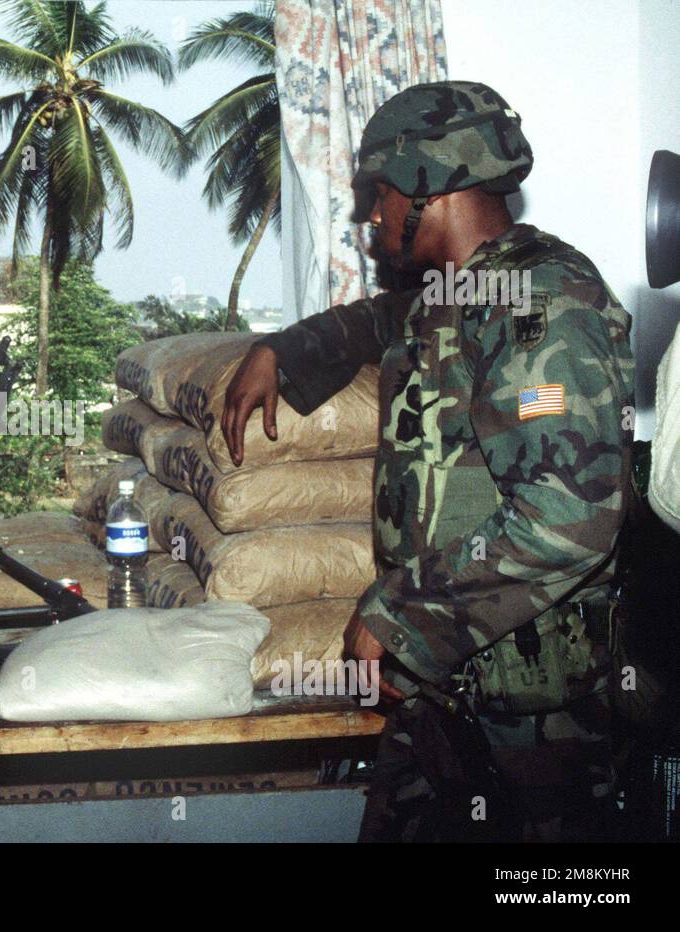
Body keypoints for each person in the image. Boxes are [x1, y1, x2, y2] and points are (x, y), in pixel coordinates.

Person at [221, 82, 635, 842]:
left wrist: (404, 615)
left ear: (424, 183)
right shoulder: (455, 294)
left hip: (529, 723)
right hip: (444, 694)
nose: (369, 217)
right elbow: (373, 320)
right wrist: (282, 351)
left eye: (377, 193)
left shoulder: (543, 303)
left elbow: (569, 520)